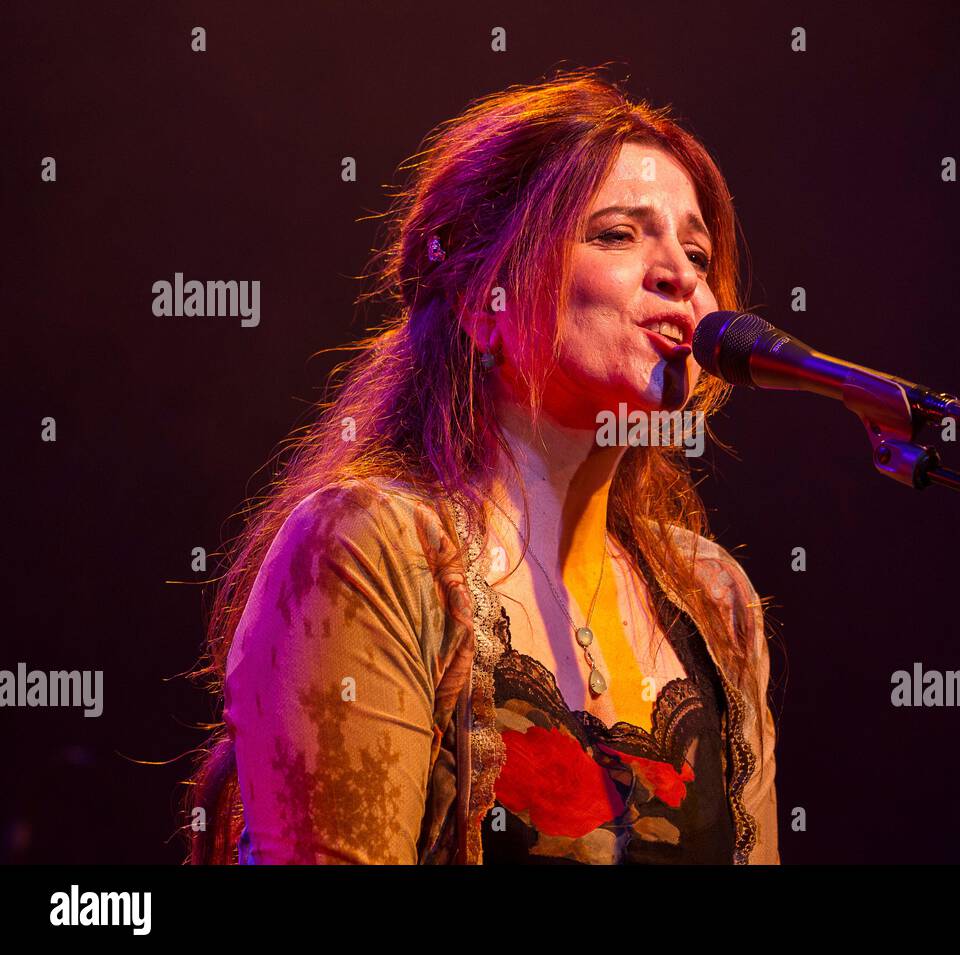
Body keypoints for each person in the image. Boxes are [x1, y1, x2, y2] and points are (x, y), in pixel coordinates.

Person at [184, 66, 779, 865]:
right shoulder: (371, 548)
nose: (681, 272)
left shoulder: (715, 600)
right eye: (616, 234)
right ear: (481, 297)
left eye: (698, 251)